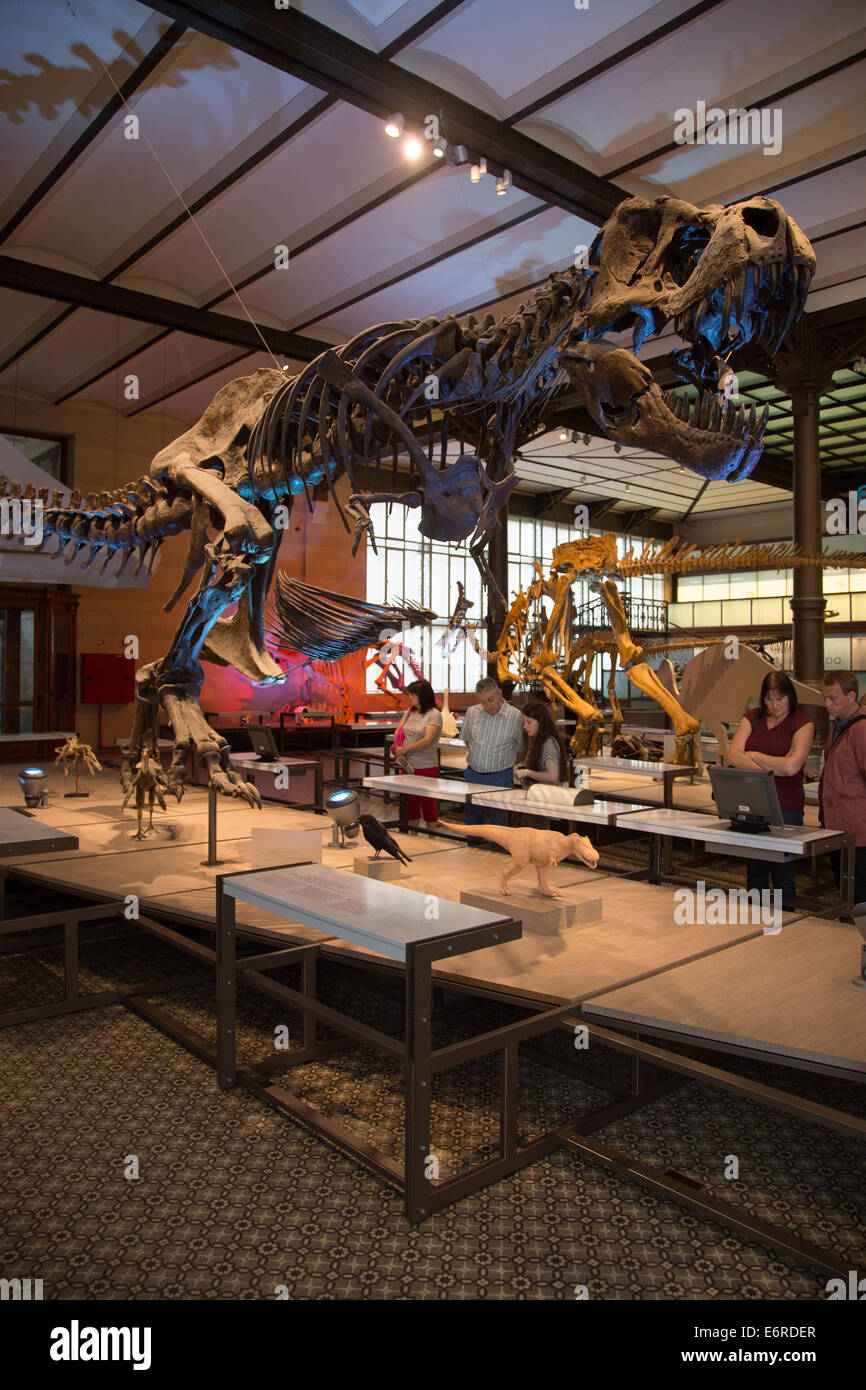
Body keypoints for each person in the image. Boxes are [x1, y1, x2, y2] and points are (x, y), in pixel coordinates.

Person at [726, 670, 814, 909]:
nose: (774, 705)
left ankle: (786, 922)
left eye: (780, 699)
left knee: (782, 868)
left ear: (790, 697)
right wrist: (774, 763)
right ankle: (756, 920)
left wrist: (753, 755)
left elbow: (791, 768)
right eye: (769, 699)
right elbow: (733, 755)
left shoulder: (802, 723)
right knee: (754, 867)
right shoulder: (752, 717)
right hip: (753, 803)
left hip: (786, 806)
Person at [818, 670, 866, 912]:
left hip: (858, 834)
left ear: (851, 696)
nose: (827, 704)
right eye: (824, 698)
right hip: (838, 828)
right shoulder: (838, 727)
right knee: (846, 895)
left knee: (859, 898)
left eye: (832, 699)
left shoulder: (861, 729)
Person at [461, 677, 523, 828]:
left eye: (491, 699)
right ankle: (473, 849)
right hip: (473, 774)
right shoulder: (472, 712)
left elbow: (521, 748)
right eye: (483, 702)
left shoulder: (515, 716)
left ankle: (500, 851)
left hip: (500, 776)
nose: (488, 705)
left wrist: (502, 761)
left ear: (500, 693)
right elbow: (467, 740)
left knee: (500, 820)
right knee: (473, 819)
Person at [393, 679, 442, 828]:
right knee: (411, 802)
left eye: (413, 695)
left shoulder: (434, 714)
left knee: (427, 801)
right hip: (407, 764)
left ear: (423, 695)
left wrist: (406, 749)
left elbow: (427, 740)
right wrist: (399, 749)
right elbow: (399, 731)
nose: (410, 697)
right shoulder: (409, 712)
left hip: (425, 765)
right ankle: (412, 833)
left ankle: (432, 834)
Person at [514, 700, 569, 786]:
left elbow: (552, 776)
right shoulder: (537, 741)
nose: (525, 726)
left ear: (541, 722)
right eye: (524, 722)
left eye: (529, 722)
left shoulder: (548, 743)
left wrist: (527, 772)